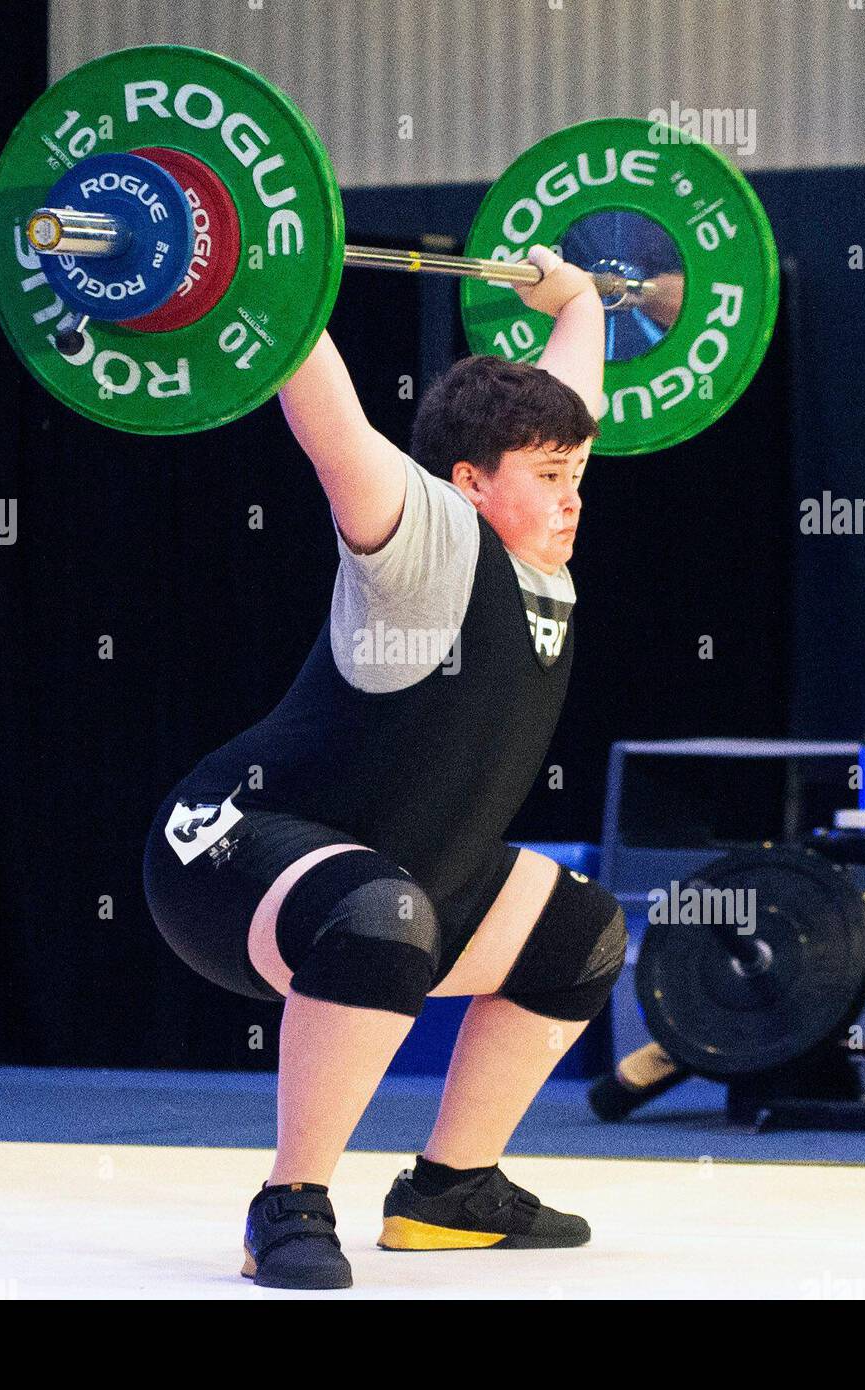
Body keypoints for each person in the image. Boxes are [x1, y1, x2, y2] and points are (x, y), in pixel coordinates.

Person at [142, 245, 628, 1290]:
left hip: (394, 863)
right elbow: (331, 428)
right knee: (383, 912)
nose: (574, 497)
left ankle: (451, 1191)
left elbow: (572, 400)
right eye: (550, 479)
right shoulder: (426, 540)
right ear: (468, 482)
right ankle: (288, 1200)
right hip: (225, 856)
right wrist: (262, 271)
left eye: (577, 475)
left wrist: (580, 297)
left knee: (582, 930)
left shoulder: (538, 547)